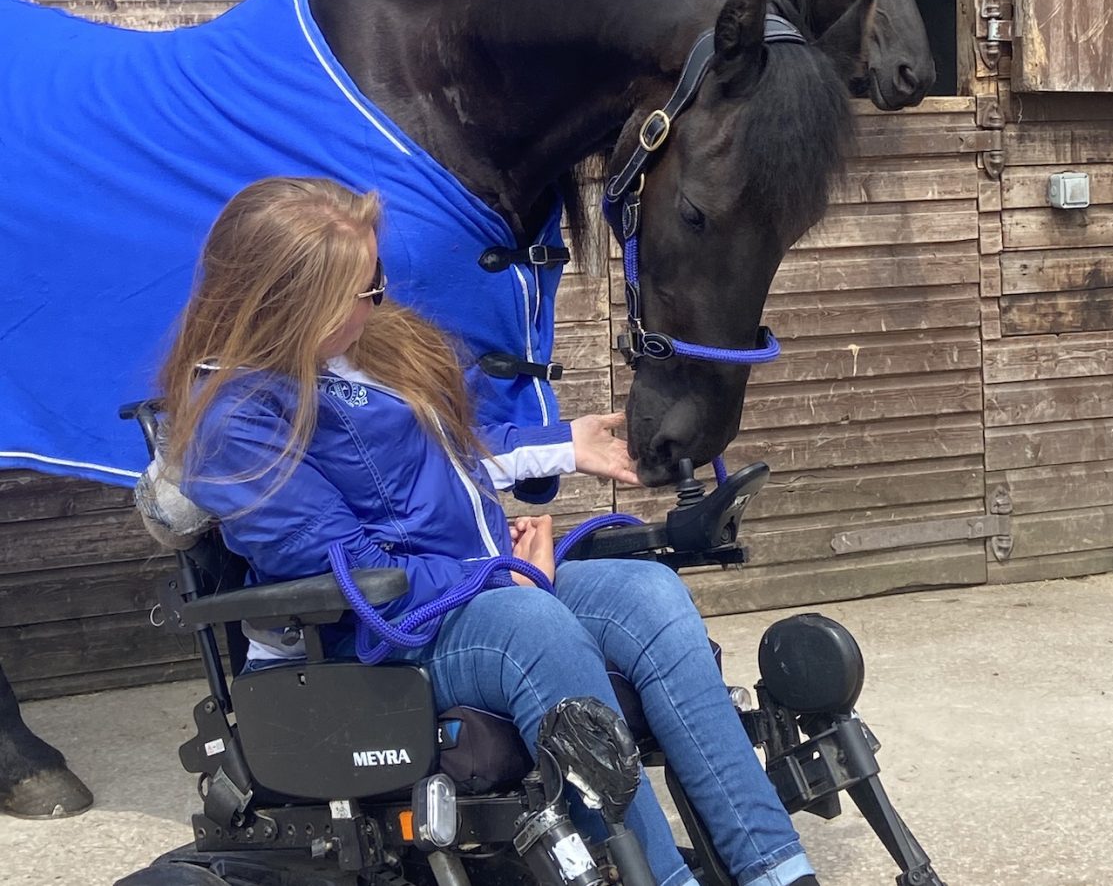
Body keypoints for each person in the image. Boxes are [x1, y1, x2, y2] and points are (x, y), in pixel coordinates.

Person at [159, 177, 821, 886]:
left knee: (647, 593)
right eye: (362, 290)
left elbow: (448, 454)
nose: (379, 300)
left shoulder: (358, 351)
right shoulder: (236, 420)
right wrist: (504, 578)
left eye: (377, 278)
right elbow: (351, 572)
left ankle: (775, 868)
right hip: (361, 648)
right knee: (530, 624)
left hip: (462, 593)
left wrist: (566, 445)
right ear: (293, 304)